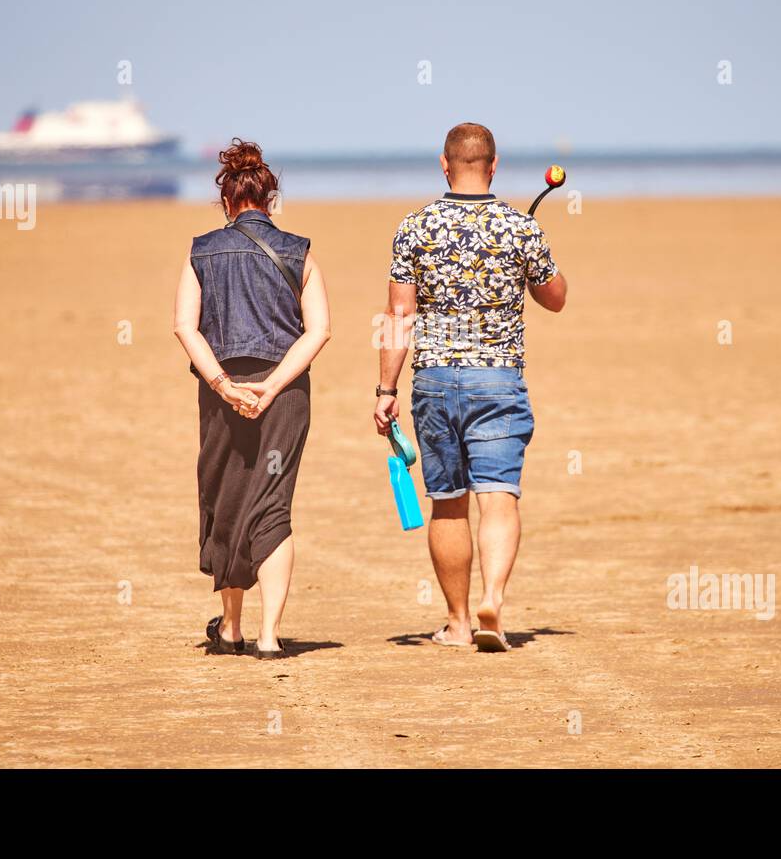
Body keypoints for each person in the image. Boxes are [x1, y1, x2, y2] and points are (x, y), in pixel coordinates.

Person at [373, 123, 568, 652]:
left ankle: (458, 623)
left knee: (449, 503)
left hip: (435, 382)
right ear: (494, 165)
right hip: (498, 381)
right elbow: (556, 299)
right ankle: (494, 602)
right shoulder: (518, 228)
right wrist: (528, 259)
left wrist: (384, 388)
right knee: (499, 497)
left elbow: (398, 315)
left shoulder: (415, 226)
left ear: (444, 164)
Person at [174, 139, 331, 659]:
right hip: (285, 397)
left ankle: (232, 629)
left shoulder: (201, 251)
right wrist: (273, 385)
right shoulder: (301, 251)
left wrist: (221, 383)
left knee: (226, 503)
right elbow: (319, 331)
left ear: (226, 201)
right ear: (271, 199)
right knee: (273, 508)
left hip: (221, 395)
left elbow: (184, 328)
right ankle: (268, 637)